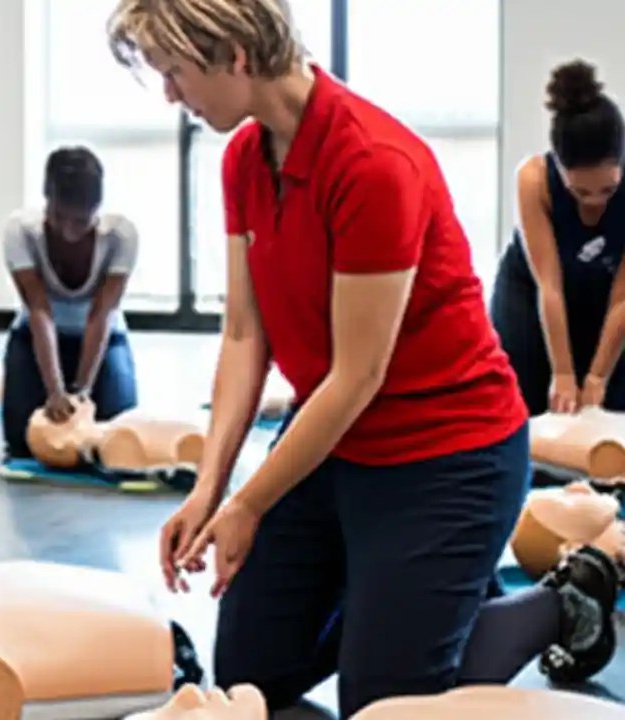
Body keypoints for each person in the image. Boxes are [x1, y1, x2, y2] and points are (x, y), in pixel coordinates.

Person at [106, 1, 620, 718]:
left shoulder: (374, 162)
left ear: (235, 55)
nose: (170, 96)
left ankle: (561, 602)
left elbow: (358, 374)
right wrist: (209, 489)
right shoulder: (244, 159)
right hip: (335, 445)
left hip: (447, 454)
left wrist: (249, 505)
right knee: (250, 677)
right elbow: (244, 336)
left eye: (174, 73)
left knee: (383, 702)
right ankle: (422, 590)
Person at [490, 59, 625, 415]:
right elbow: (549, 286)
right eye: (581, 193)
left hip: (607, 287)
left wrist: (596, 377)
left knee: (609, 396)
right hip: (532, 289)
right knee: (528, 397)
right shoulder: (533, 180)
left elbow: (622, 300)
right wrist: (563, 373)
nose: (595, 203)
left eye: (608, 190)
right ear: (561, 169)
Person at [0, 146, 140, 458]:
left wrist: (81, 391)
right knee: (22, 441)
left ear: (97, 209)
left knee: (115, 438)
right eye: (59, 217)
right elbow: (39, 311)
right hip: (35, 337)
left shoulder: (121, 235)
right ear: (46, 201)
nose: (69, 231)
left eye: (81, 220)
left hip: (103, 339)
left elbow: (101, 314)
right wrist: (54, 390)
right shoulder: (20, 230)